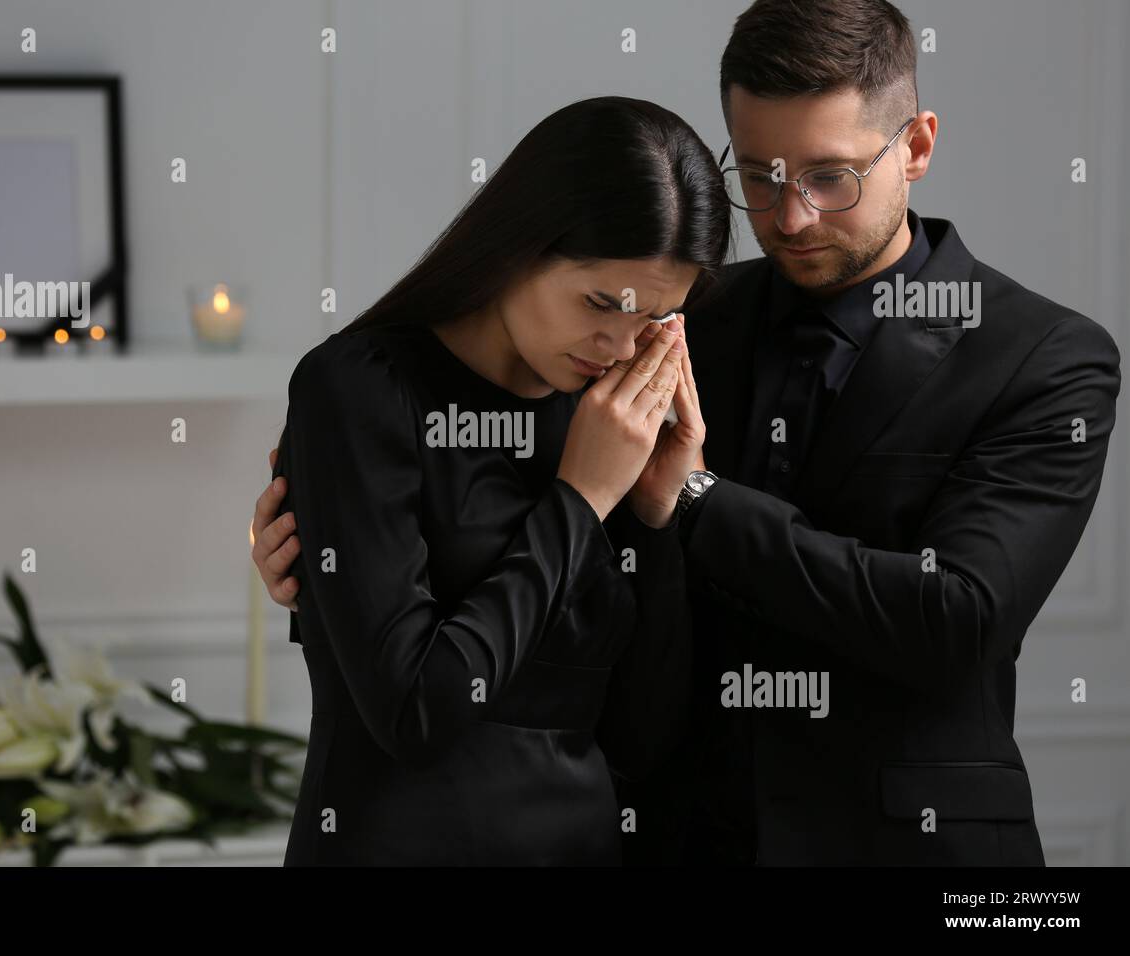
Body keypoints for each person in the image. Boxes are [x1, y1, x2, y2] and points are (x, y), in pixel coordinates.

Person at [257, 0, 1121, 866]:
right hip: (679, 833)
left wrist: (693, 498)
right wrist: (337, 575)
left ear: (918, 147)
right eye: (760, 176)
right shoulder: (667, 324)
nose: (789, 218)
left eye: (830, 178)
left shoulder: (1043, 357)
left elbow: (958, 622)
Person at [255, 95, 731, 865]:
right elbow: (415, 712)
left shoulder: (614, 417)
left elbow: (648, 735)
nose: (616, 345)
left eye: (652, 321)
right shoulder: (360, 389)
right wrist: (579, 501)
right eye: (598, 303)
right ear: (519, 245)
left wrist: (655, 515)